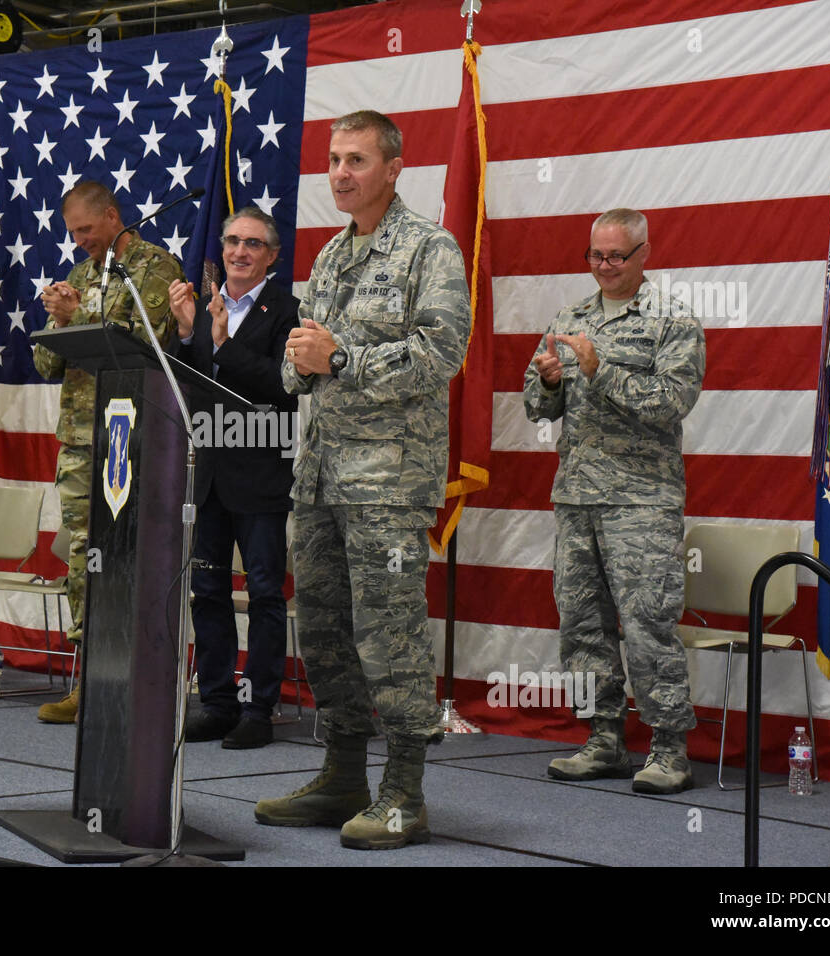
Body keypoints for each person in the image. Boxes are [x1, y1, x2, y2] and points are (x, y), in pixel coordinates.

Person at [252, 111, 469, 849]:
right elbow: (299, 359)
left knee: (391, 636)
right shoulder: (331, 257)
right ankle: (342, 775)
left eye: (356, 160)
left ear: (394, 167)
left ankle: (403, 792)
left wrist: (341, 360)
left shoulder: (428, 249)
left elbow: (443, 354)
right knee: (323, 633)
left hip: (387, 484)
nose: (340, 173)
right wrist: (301, 358)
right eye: (334, 160)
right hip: (317, 481)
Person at [523, 207, 705, 794]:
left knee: (648, 624)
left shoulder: (671, 320)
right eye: (595, 256)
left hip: (642, 502)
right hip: (577, 497)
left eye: (616, 256)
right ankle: (603, 737)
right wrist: (550, 380)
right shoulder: (571, 316)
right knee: (582, 625)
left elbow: (670, 401)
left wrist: (601, 372)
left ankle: (669, 747)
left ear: (644, 254)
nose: (604, 266)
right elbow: (535, 402)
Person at [32, 181, 183, 723]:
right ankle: (87, 679)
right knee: (81, 555)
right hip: (78, 437)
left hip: (130, 432)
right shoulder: (79, 277)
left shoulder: (157, 268)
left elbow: (150, 346)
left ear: (114, 216)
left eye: (86, 230)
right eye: (72, 233)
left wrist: (82, 322)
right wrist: (60, 320)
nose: (79, 242)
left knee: (128, 555)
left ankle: (133, 679)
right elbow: (48, 365)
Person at [168, 207, 300, 749]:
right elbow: (190, 386)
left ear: (271, 255)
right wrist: (184, 335)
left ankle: (258, 708)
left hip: (262, 473)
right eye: (231, 242)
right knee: (207, 591)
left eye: (252, 244)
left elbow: (283, 384)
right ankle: (218, 701)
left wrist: (225, 344)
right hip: (208, 475)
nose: (239, 252)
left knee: (266, 593)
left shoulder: (289, 310)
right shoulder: (204, 309)